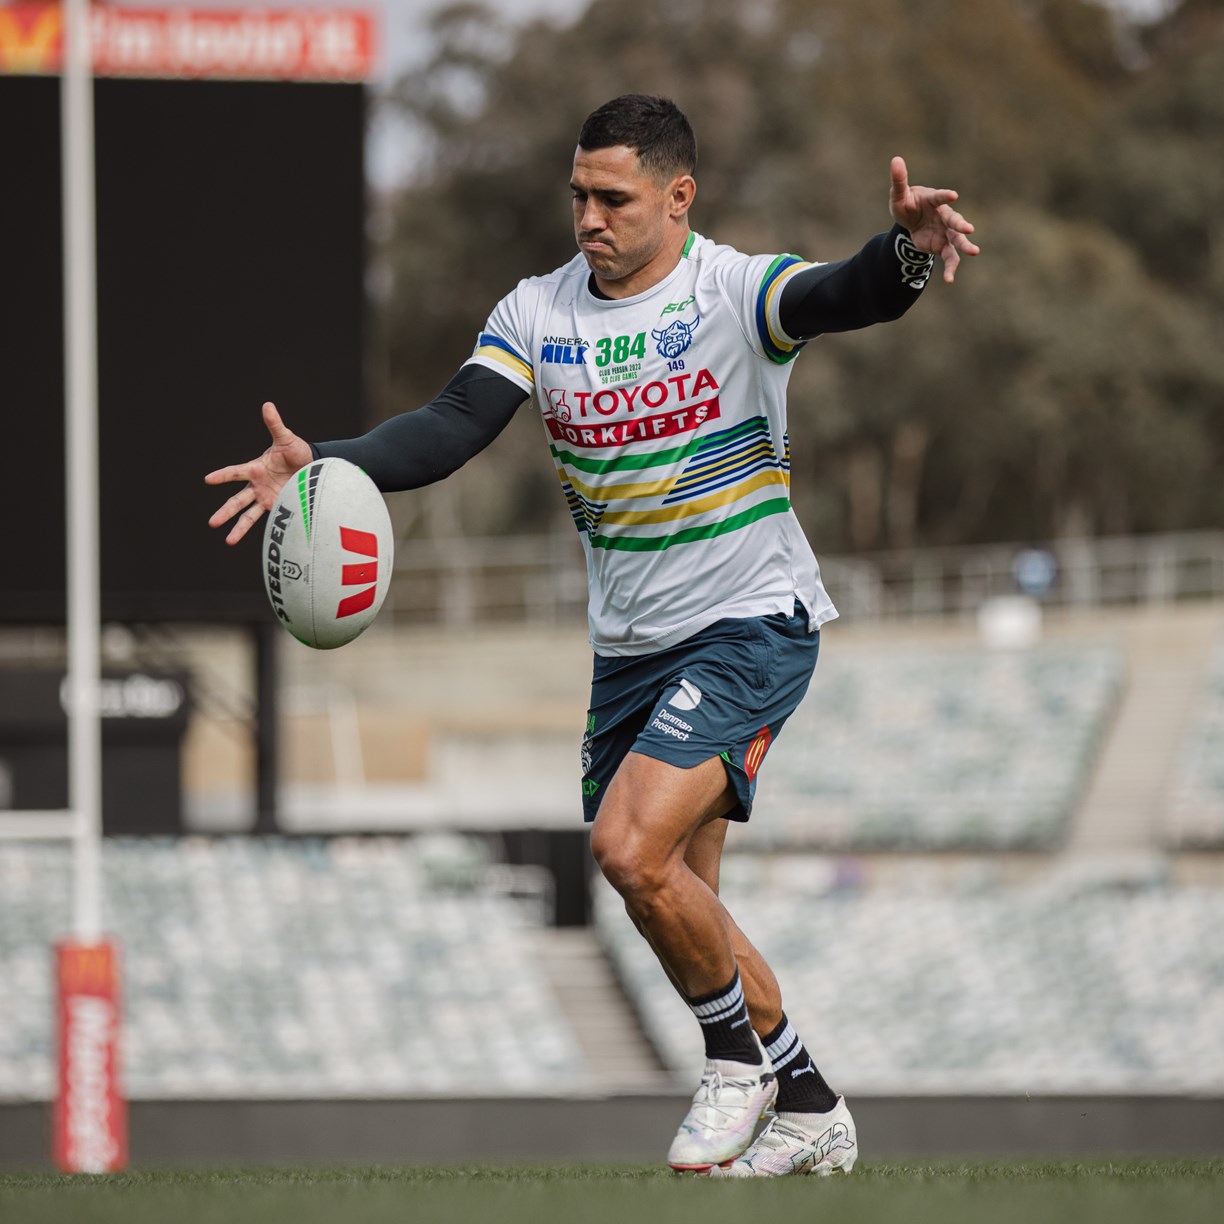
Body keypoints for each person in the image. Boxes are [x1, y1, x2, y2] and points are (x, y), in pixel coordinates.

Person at [206, 94, 978, 1177]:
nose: (588, 218)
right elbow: (448, 428)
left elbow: (841, 294)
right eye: (578, 194)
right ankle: (808, 1100)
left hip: (750, 623)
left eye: (612, 197)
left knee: (623, 848)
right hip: (630, 654)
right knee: (678, 897)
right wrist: (328, 461)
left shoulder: (733, 290)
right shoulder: (537, 312)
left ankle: (732, 1067)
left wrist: (903, 249)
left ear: (678, 197)